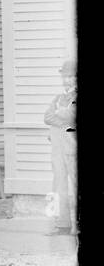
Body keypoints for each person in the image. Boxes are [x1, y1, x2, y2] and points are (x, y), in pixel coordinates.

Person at [43, 58, 77, 235]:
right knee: (56, 187)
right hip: (57, 150)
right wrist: (59, 116)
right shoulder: (57, 98)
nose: (67, 80)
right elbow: (47, 117)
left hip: (73, 150)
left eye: (71, 77)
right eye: (65, 77)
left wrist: (58, 115)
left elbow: (71, 114)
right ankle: (59, 224)